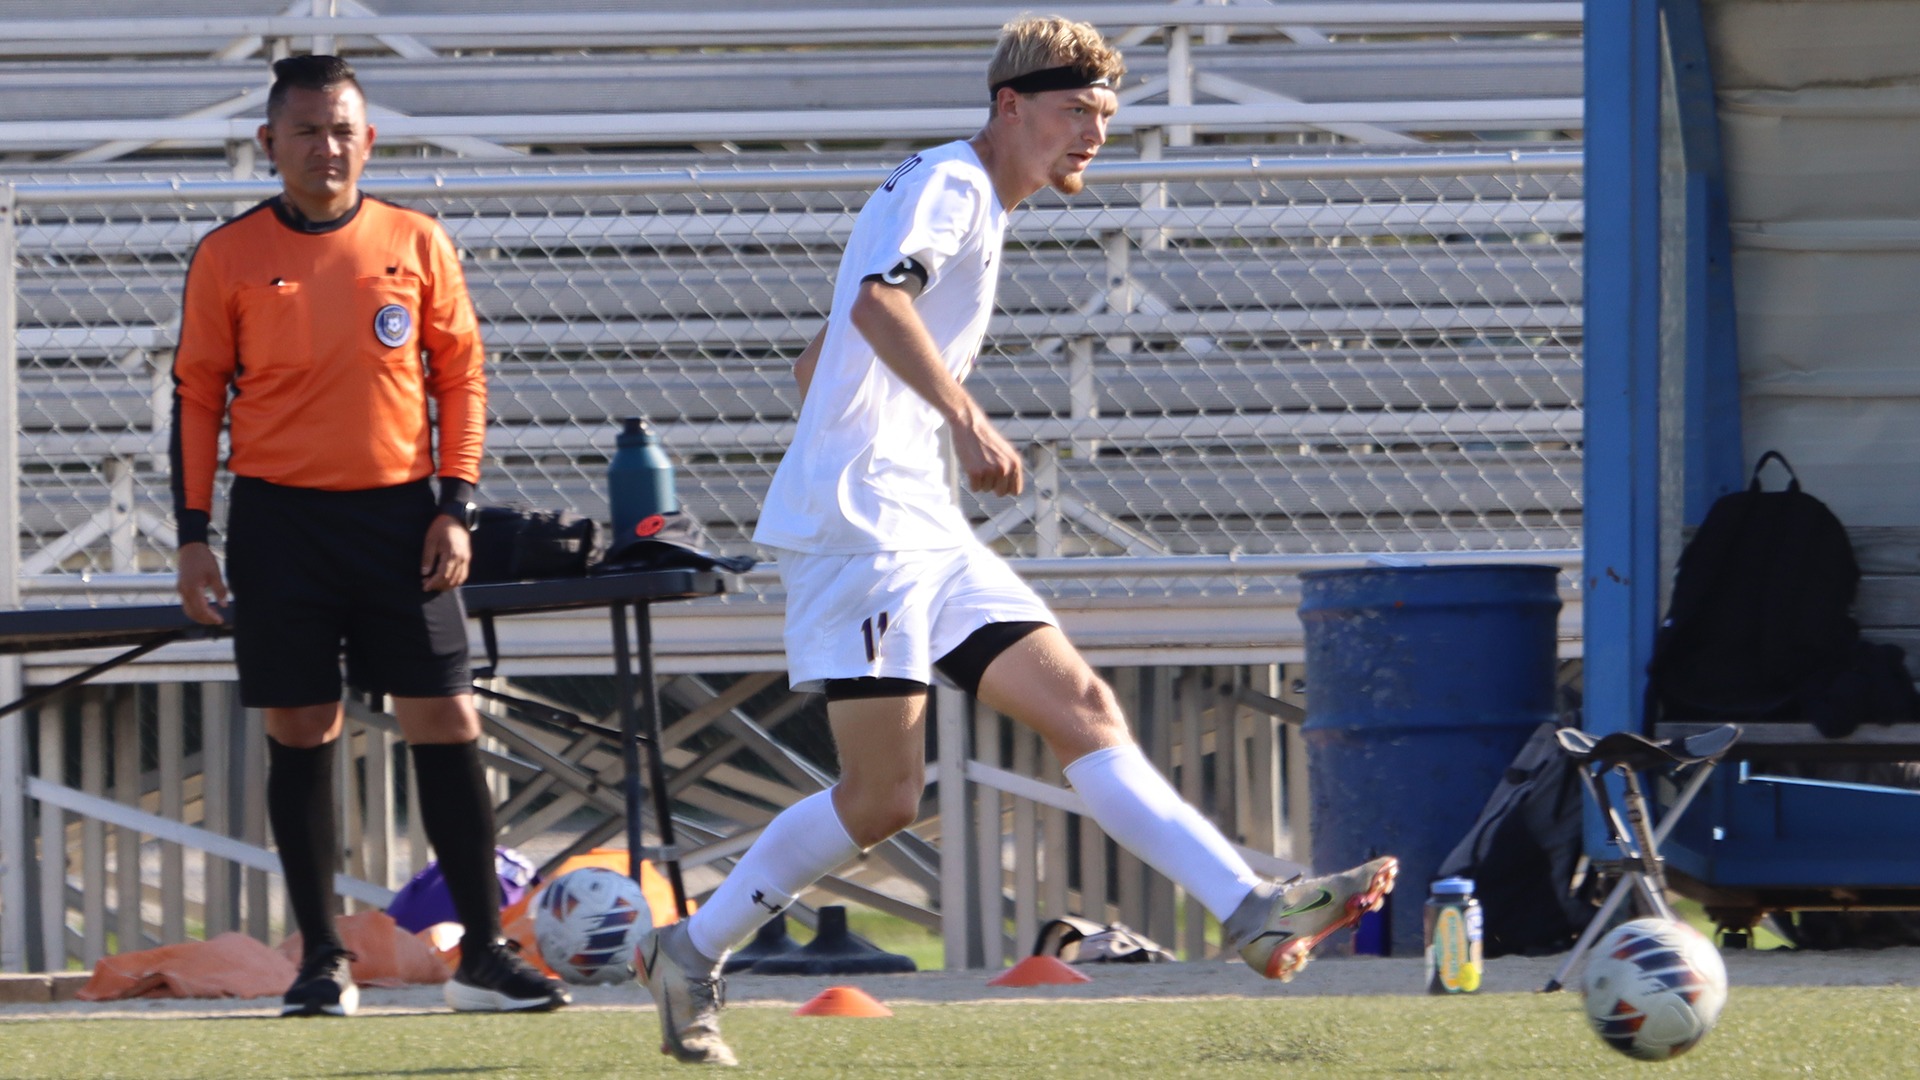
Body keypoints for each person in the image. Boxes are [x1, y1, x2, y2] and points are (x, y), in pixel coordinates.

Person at [635, 16, 1397, 1066]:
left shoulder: (962, 195)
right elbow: (871, 303)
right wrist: (962, 418)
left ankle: (1250, 907)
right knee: (881, 798)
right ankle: (693, 948)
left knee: (1082, 707)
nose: (1093, 133)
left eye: (1106, 116)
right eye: (1075, 112)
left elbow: (823, 355)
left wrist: (883, 417)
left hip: (915, 518)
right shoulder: (953, 185)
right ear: (1009, 107)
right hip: (866, 527)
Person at [171, 55, 568, 1018]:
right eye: (306, 131)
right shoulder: (227, 254)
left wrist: (456, 505)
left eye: (343, 129)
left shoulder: (416, 241)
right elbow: (195, 398)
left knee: (449, 716)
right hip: (280, 524)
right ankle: (321, 962)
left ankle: (481, 954)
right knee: (302, 728)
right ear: (269, 144)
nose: (326, 147)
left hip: (401, 517)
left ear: (369, 139)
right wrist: (192, 534)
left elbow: (461, 378)